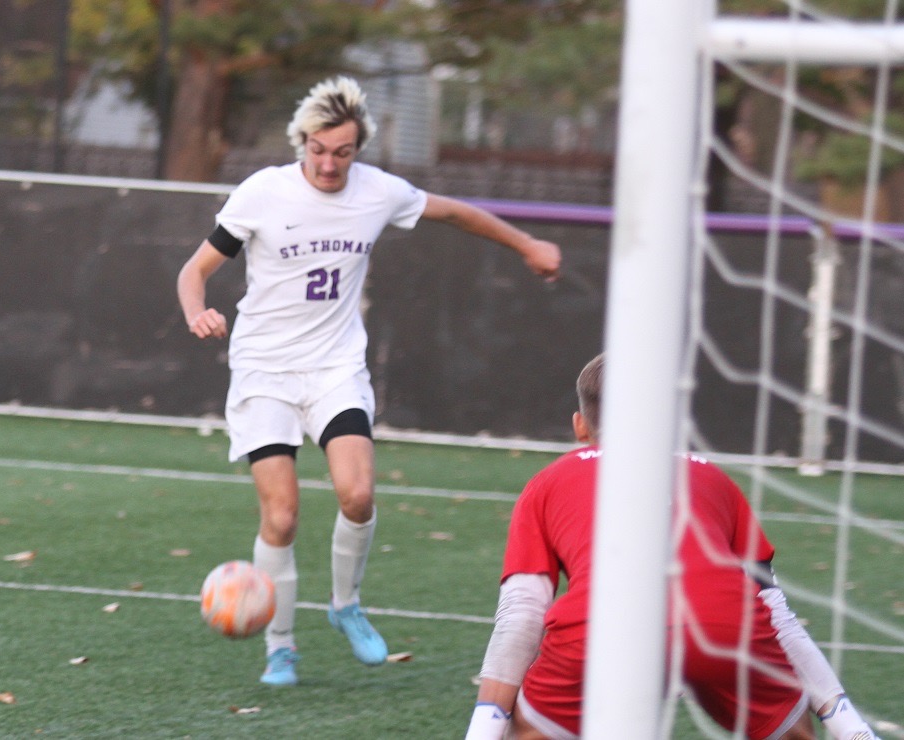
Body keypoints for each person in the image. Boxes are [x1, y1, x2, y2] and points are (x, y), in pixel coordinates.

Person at [176, 76, 562, 686]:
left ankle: (345, 606)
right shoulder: (263, 193)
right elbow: (194, 270)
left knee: (357, 495)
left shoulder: (379, 193)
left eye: (343, 153)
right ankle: (280, 645)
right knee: (282, 517)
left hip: (335, 367)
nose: (328, 164)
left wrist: (525, 244)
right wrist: (197, 309)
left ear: (359, 150)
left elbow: (456, 212)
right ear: (301, 141)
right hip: (264, 369)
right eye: (318, 150)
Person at [464, 354, 878, 740]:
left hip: (600, 633)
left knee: (529, 727)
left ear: (579, 426)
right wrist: (847, 724)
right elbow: (775, 613)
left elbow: (522, 612)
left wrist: (484, 726)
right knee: (788, 722)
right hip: (722, 630)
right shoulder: (714, 479)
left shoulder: (547, 482)